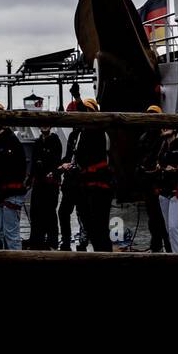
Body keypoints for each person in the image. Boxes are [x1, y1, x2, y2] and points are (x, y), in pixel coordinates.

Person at [59, 97, 113, 252]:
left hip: (98, 186)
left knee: (99, 227)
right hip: (81, 184)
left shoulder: (97, 130)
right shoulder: (77, 134)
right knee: (88, 223)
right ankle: (71, 244)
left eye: (86, 112)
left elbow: (90, 123)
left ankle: (104, 256)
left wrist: (77, 99)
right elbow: (73, 155)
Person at [0, 104, 27, 250]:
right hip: (1, 194)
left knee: (10, 235)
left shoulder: (9, 141)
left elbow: (8, 167)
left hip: (9, 194)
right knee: (2, 234)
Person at [137, 105, 169, 252]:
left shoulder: (163, 139)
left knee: (161, 218)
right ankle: (156, 245)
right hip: (147, 181)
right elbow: (140, 158)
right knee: (153, 217)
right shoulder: (144, 137)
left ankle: (167, 246)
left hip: (159, 182)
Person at [28, 123, 64, 250]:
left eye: (47, 124)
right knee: (35, 212)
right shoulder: (37, 143)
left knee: (49, 212)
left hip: (50, 184)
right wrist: (29, 180)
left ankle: (52, 242)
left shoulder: (55, 141)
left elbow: (56, 161)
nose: (44, 126)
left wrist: (53, 173)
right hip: (38, 183)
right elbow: (33, 163)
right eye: (42, 124)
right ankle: (36, 241)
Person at [57, 99, 87, 251]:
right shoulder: (73, 136)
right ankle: (66, 241)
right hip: (70, 182)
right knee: (63, 212)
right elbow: (68, 156)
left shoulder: (88, 136)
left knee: (82, 212)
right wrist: (62, 165)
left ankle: (83, 240)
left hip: (81, 182)